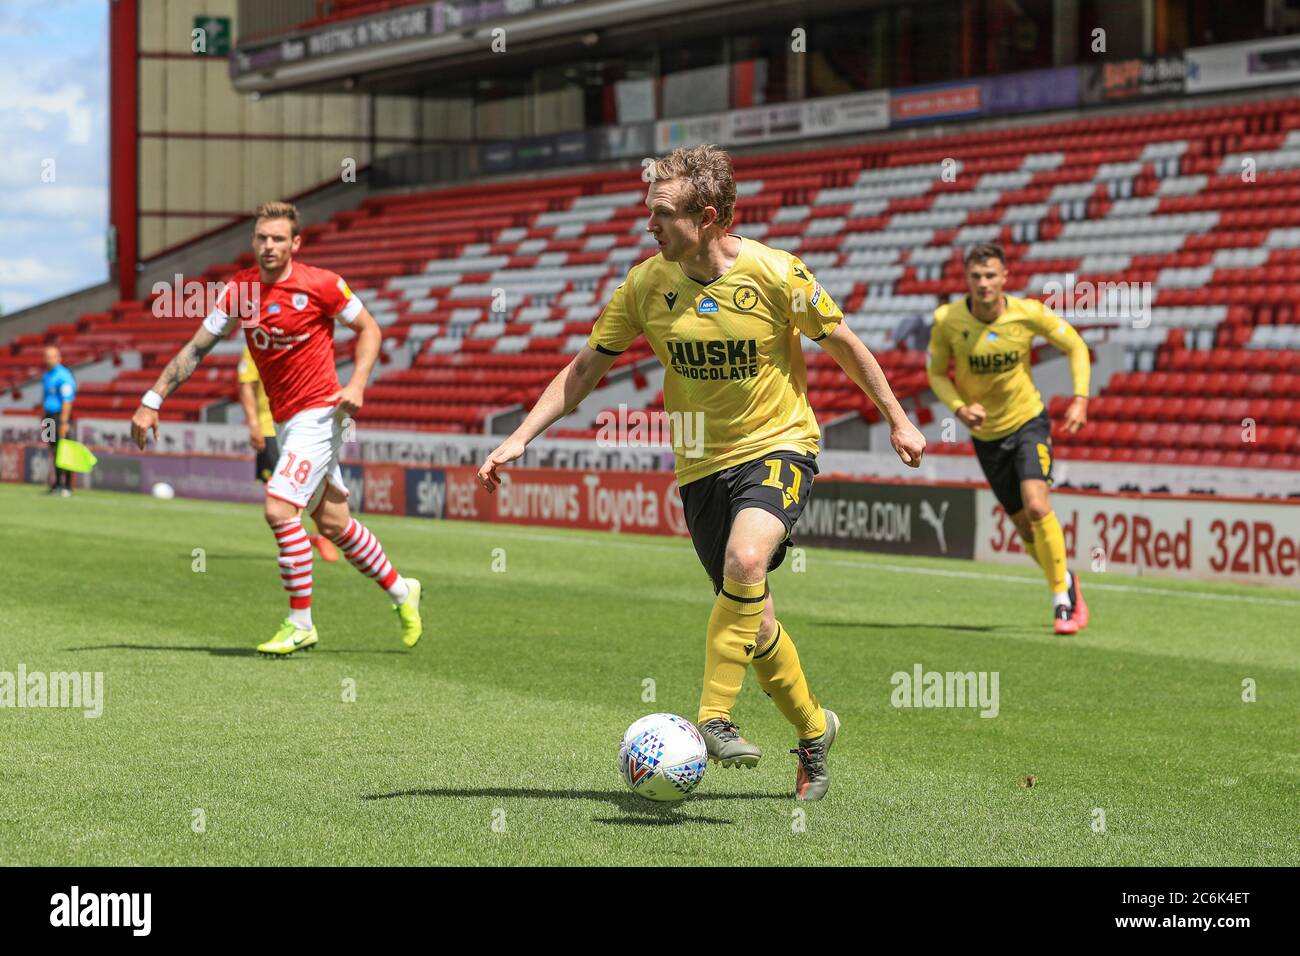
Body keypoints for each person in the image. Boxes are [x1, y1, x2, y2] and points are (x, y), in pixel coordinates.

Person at [477, 145, 926, 800]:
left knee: (746, 563)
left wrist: (898, 417)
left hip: (780, 445)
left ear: (708, 216)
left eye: (661, 213)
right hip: (699, 466)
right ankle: (813, 731)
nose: (648, 224)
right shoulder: (644, 285)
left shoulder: (777, 274)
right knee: (757, 620)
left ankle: (713, 716)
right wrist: (519, 436)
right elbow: (583, 370)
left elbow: (845, 343)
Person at [130, 201, 422, 655]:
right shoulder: (240, 291)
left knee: (279, 509)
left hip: (322, 413)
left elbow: (370, 330)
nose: (269, 246)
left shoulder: (322, 284)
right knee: (332, 522)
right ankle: (404, 592)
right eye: (262, 238)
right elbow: (196, 349)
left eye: (278, 239)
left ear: (295, 244)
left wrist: (358, 384)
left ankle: (300, 622)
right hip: (287, 420)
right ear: (254, 242)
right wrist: (152, 400)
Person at [926, 243, 1091, 635]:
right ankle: (1065, 577)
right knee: (1024, 527)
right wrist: (960, 408)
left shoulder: (1028, 312)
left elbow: (1075, 345)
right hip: (985, 436)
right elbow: (935, 374)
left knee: (1037, 506)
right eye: (976, 277)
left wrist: (1080, 398)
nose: (983, 284)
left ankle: (1061, 601)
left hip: (1028, 422)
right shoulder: (947, 320)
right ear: (967, 280)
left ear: (1004, 278)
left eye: (990, 276)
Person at [238, 344, 338, 563]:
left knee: (303, 489)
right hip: (269, 428)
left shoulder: (295, 336)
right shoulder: (256, 339)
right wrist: (254, 424)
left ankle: (312, 539)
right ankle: (301, 542)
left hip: (299, 425)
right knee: (282, 493)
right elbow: (246, 385)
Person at [41, 346, 76, 496]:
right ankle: (55, 484)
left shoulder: (64, 376)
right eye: (46, 357)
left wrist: (64, 422)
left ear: (58, 358)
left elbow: (67, 400)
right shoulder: (46, 376)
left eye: (51, 357)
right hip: (48, 417)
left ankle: (67, 485)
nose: (48, 360)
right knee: (52, 450)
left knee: (64, 450)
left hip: (59, 417)